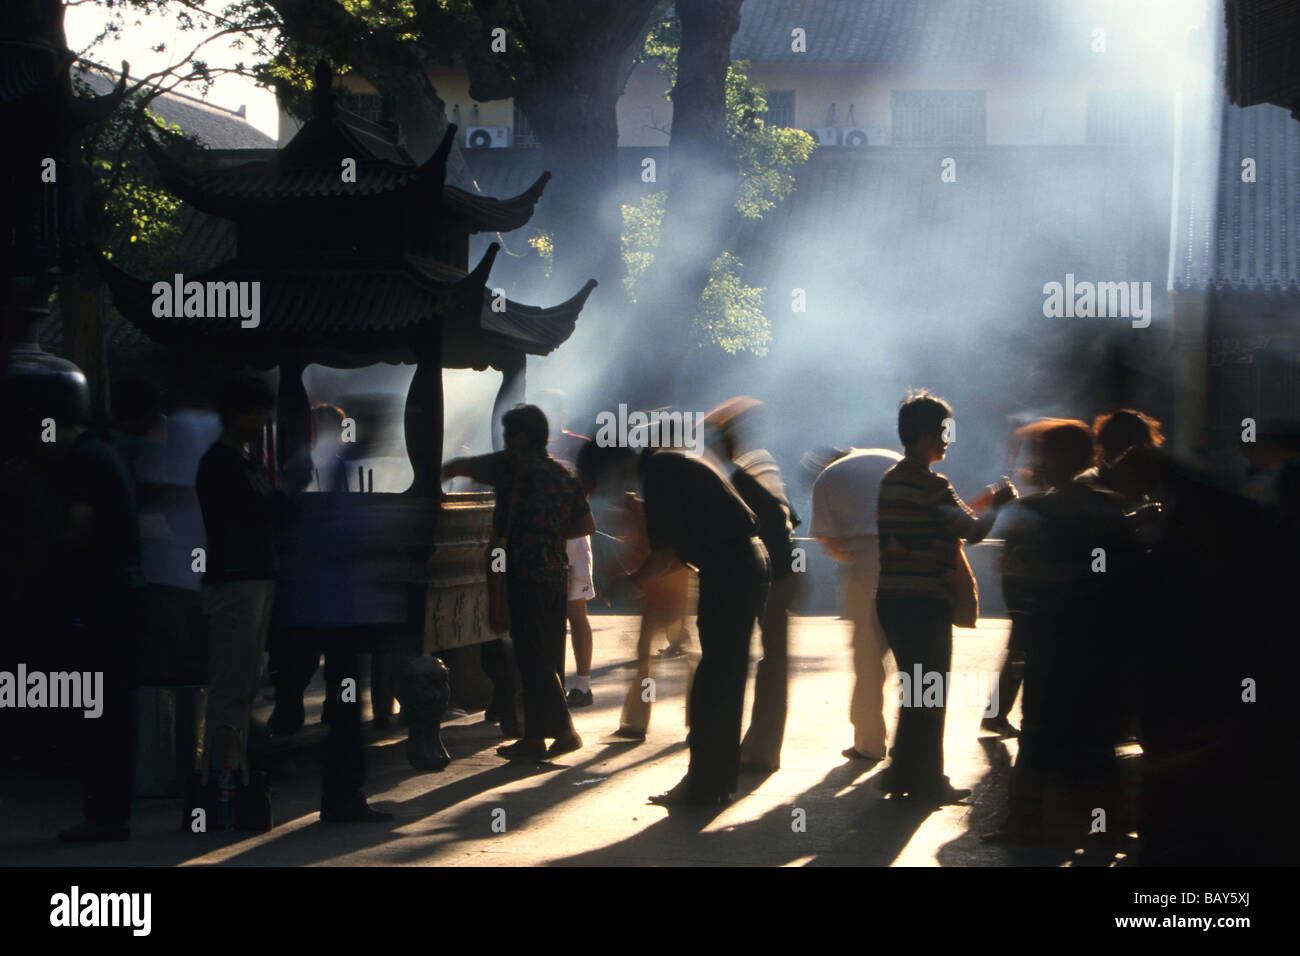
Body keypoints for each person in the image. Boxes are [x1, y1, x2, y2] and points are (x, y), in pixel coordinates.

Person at [578, 439, 769, 807]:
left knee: (713, 684)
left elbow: (664, 555)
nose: (614, 488)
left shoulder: (661, 472)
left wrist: (626, 582)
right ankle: (716, 781)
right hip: (739, 564)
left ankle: (703, 785)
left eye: (606, 478)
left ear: (613, 465)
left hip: (731, 569)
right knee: (723, 680)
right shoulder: (669, 463)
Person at [875, 389, 1017, 805]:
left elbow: (949, 521)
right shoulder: (931, 483)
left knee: (916, 690)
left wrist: (985, 501)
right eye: (942, 433)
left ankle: (901, 772)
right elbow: (971, 531)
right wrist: (999, 503)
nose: (947, 441)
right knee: (929, 691)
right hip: (924, 601)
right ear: (922, 434)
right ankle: (927, 781)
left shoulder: (893, 480)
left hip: (893, 600)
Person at [442, 404, 593, 761]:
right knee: (549, 655)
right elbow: (586, 526)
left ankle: (562, 731)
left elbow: (458, 466)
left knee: (531, 656)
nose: (505, 442)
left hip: (524, 574)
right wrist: (552, 535)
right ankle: (537, 736)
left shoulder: (512, 465)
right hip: (556, 573)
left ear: (520, 438)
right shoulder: (564, 474)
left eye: (508, 435)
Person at [42, 402, 146, 841]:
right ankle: (110, 810)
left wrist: (35, 534)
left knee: (98, 707)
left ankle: (102, 813)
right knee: (111, 706)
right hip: (123, 595)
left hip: (100, 599)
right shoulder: (104, 452)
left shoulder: (83, 463)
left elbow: (79, 531)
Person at [195, 377, 290, 806]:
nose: (262, 421)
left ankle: (234, 771)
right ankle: (222, 778)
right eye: (256, 412)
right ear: (236, 414)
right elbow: (260, 510)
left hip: (252, 578)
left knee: (245, 681)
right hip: (236, 581)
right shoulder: (222, 464)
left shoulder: (244, 462)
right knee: (232, 684)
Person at [705, 397, 800, 771]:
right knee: (773, 660)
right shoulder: (760, 465)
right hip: (784, 567)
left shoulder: (734, 477)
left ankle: (757, 750)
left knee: (758, 660)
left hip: (768, 572)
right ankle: (762, 747)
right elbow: (791, 517)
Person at [810, 445, 901, 764]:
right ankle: (912, 745)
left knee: (867, 654)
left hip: (863, 562)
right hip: (912, 557)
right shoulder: (896, 459)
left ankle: (870, 743)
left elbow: (830, 544)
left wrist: (856, 558)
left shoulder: (828, 477)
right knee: (912, 655)